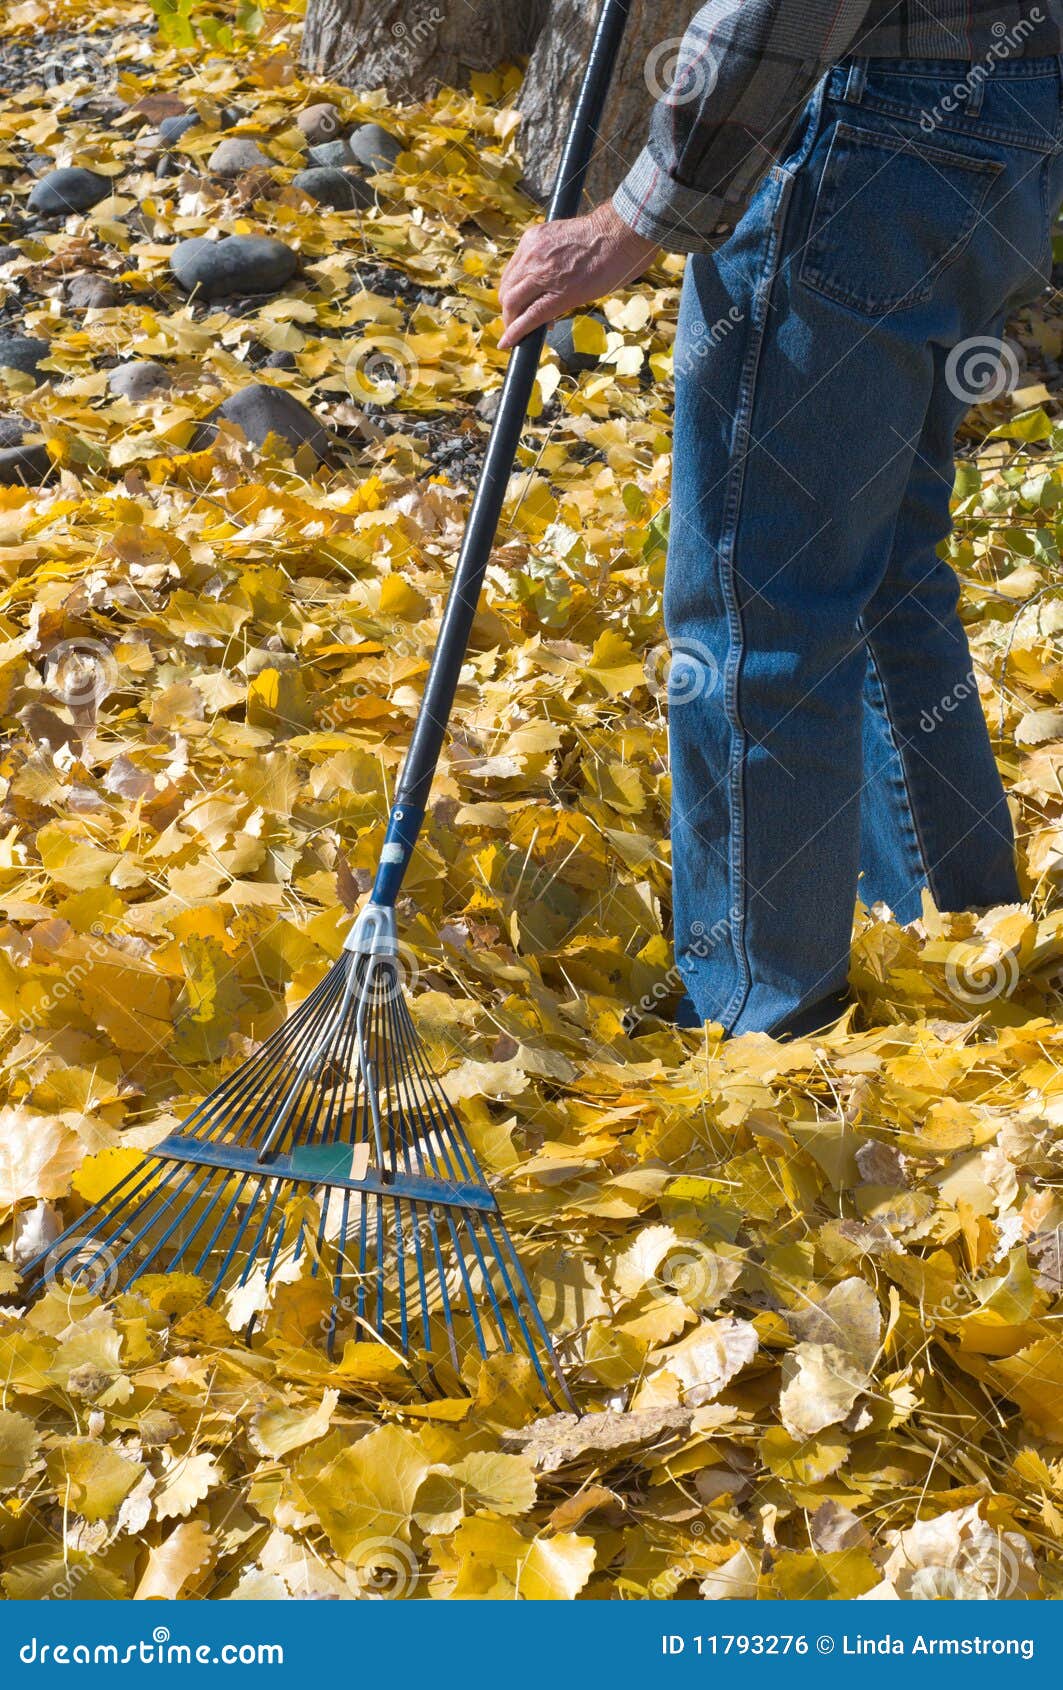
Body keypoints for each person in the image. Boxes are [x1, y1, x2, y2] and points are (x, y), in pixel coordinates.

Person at [498, 0, 1063, 1039]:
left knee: (756, 592)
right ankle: (965, 952)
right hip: (1007, 113)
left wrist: (628, 221)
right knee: (881, 560)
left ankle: (764, 1014)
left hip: (863, 133)